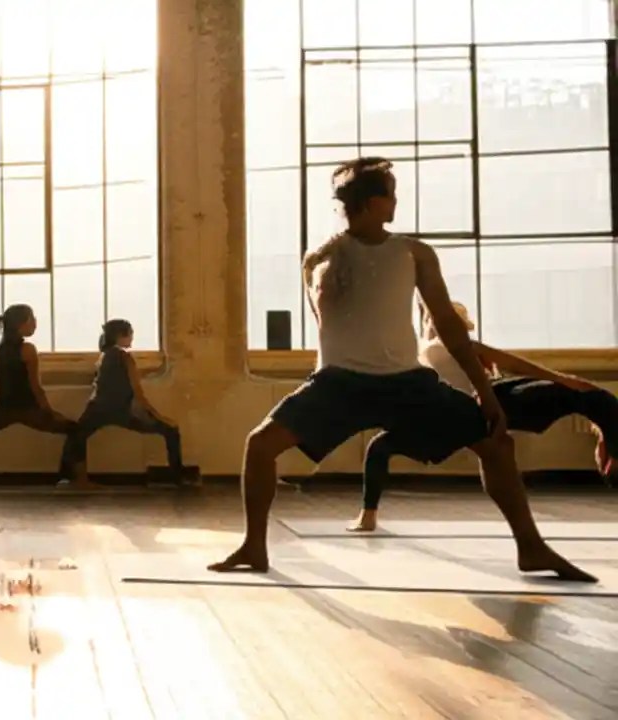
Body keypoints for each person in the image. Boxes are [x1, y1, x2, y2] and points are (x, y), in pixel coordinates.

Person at [208, 156, 594, 582]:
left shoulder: (414, 253)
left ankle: (531, 548)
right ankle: (254, 546)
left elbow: (448, 324)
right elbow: (329, 327)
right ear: (374, 202)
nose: (395, 203)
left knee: (495, 444)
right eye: (391, 195)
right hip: (338, 384)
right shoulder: (319, 258)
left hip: (408, 383)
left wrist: (484, 392)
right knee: (260, 445)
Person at [349, 300, 618, 531]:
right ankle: (367, 515)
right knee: (378, 446)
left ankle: (611, 450)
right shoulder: (419, 351)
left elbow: (513, 363)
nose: (433, 324)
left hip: (484, 408)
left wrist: (563, 379)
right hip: (446, 419)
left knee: (586, 394)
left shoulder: (460, 343)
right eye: (431, 319)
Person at [0, 304, 95, 491]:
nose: (35, 323)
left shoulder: (2, 348)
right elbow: (35, 386)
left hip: (3, 409)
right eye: (31, 319)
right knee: (76, 430)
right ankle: (80, 479)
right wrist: (49, 411)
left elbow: (4, 382)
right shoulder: (27, 349)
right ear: (21, 324)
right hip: (28, 410)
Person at [65, 319, 187, 486]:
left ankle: (77, 479)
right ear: (120, 336)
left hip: (98, 408)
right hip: (121, 410)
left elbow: (100, 386)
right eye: (130, 334)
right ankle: (178, 478)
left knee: (76, 435)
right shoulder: (124, 357)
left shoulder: (104, 356)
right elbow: (138, 392)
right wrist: (159, 416)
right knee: (171, 430)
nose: (132, 338)